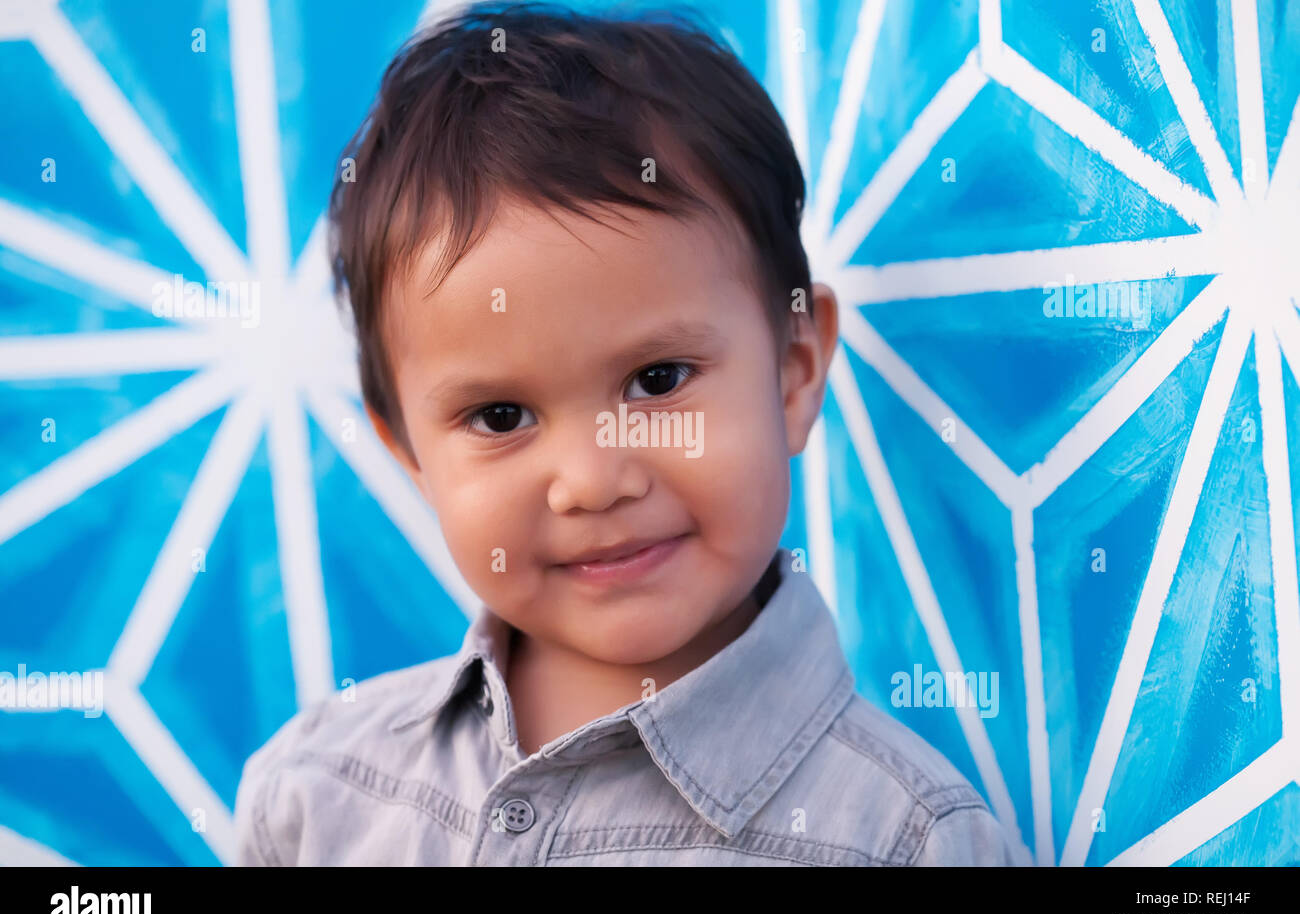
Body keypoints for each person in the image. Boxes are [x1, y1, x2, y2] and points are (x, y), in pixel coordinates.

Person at [233, 0, 1021, 866]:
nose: (592, 480)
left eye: (656, 381)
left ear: (793, 371)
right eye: (501, 417)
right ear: (411, 455)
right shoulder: (315, 797)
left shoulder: (907, 841)